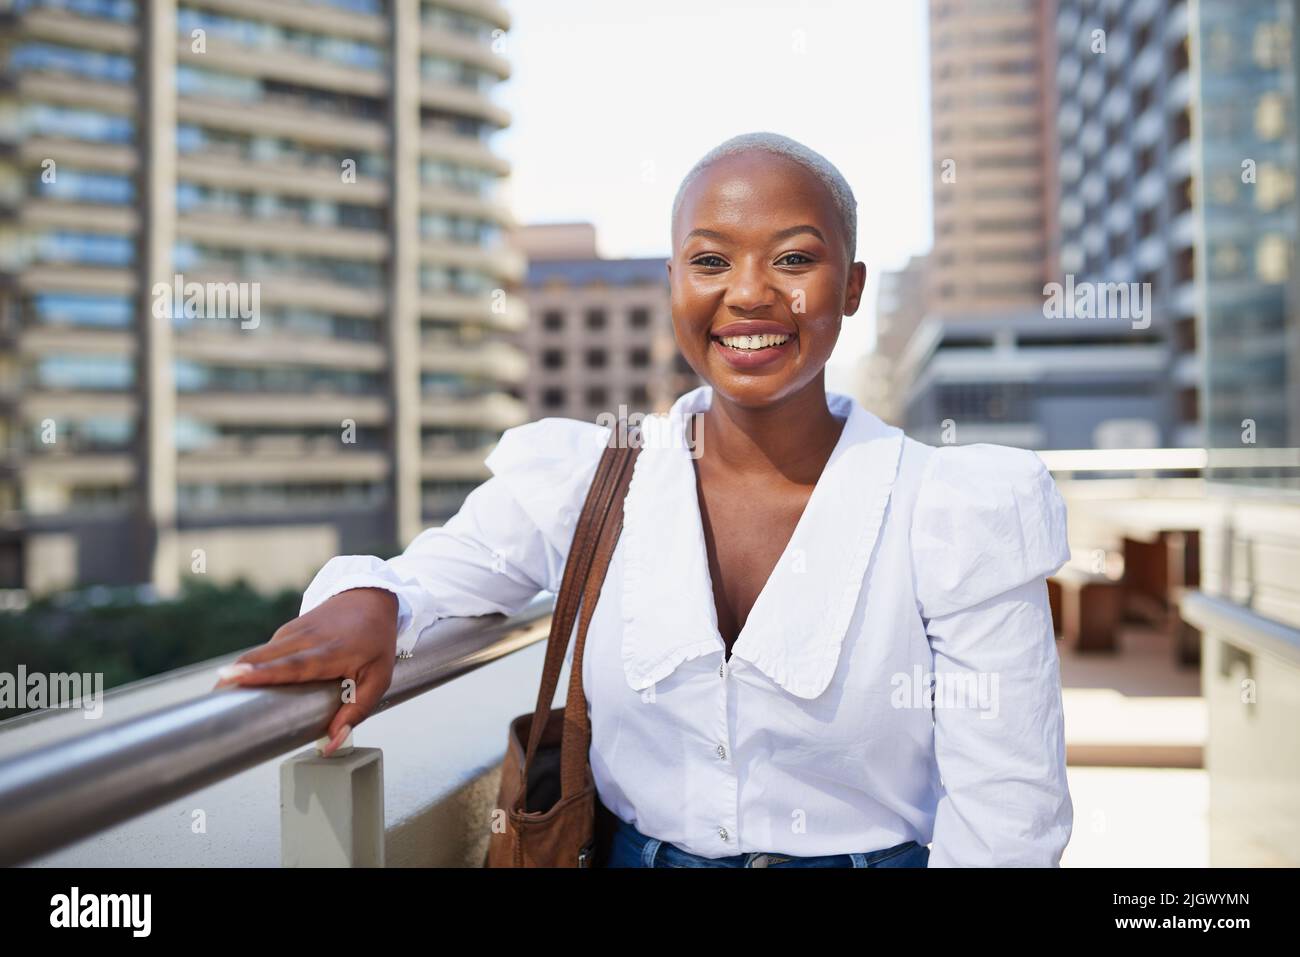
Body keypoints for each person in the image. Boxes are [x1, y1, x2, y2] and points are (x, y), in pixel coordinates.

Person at [214, 132, 1073, 868]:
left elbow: (1008, 818)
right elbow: (432, 577)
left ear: (850, 286)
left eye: (793, 258)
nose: (748, 292)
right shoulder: (595, 478)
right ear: (674, 284)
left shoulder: (951, 511)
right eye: (710, 260)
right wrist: (370, 600)